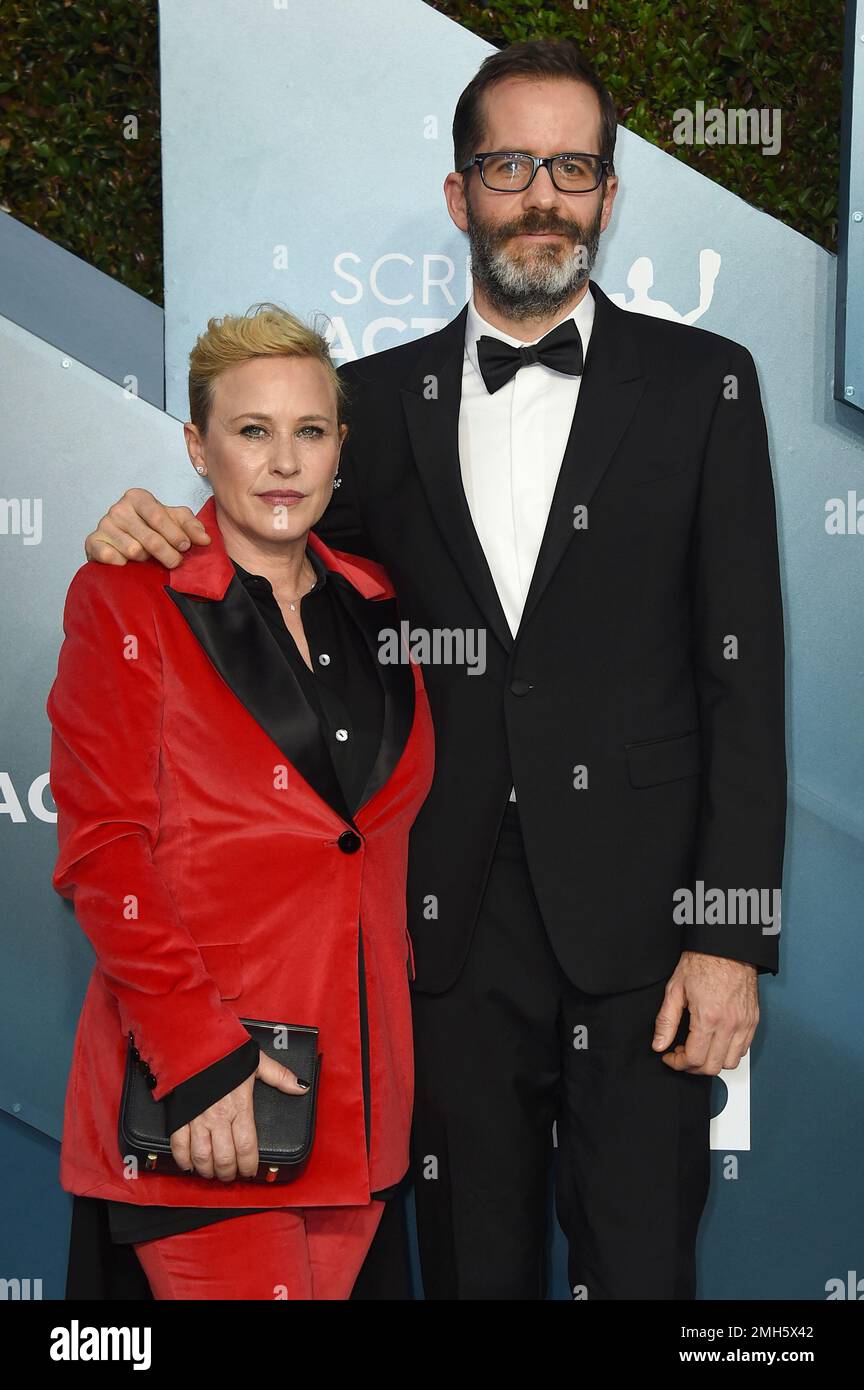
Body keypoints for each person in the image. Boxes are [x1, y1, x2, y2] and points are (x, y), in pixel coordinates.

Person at [80, 38, 786, 1300]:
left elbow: (746, 675)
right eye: (509, 163)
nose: (542, 194)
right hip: (439, 943)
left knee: (644, 1277)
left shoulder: (706, 387)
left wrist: (729, 938)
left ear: (610, 197)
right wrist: (154, 527)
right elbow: (263, 545)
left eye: (573, 166)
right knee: (472, 1273)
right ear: (461, 194)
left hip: (648, 946)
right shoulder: (367, 403)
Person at [47, 304, 434, 1300]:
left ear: (340, 447)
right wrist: (204, 1065)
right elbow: (105, 856)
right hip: (207, 1114)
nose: (283, 461)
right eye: (251, 431)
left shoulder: (382, 606)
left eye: (309, 431)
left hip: (362, 1123)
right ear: (197, 444)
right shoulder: (129, 599)